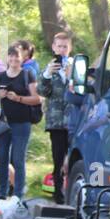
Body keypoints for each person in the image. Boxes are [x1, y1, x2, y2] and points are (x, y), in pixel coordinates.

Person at [0, 43, 40, 200]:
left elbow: (36, 99)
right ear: (7, 58)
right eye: (11, 56)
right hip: (2, 123)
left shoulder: (28, 75)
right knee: (2, 158)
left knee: (18, 159)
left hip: (22, 122)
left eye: (17, 56)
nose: (13, 59)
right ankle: (2, 192)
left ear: (22, 58)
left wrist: (18, 98)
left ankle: (18, 194)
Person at [38, 32, 74, 203]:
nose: (62, 49)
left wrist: (70, 77)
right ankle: (58, 193)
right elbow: (42, 91)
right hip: (56, 121)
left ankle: (72, 191)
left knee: (73, 158)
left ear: (70, 48)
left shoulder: (76, 66)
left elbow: (84, 89)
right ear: (53, 47)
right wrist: (46, 75)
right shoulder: (49, 68)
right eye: (59, 46)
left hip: (74, 120)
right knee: (58, 158)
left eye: (65, 47)